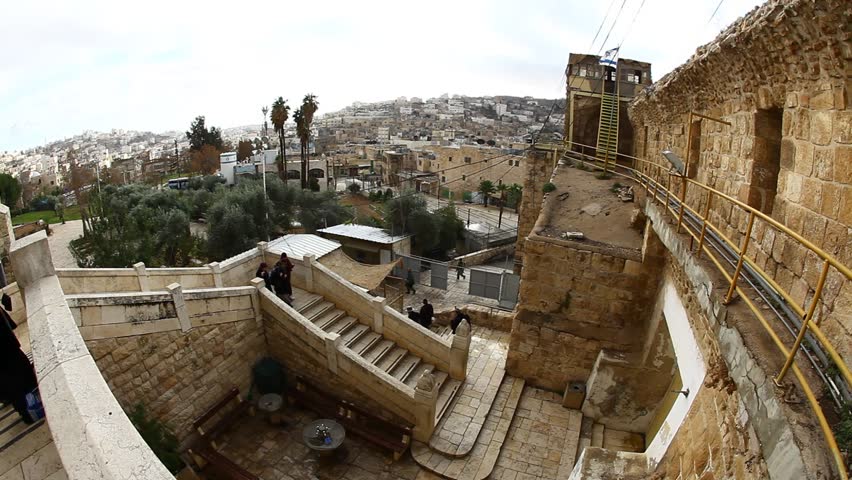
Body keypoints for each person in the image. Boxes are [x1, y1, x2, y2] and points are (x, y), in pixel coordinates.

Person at [0, 299, 38, 424]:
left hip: (8, 353)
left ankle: (26, 412)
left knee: (11, 386)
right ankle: (32, 408)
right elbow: (10, 325)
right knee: (20, 379)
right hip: (10, 350)